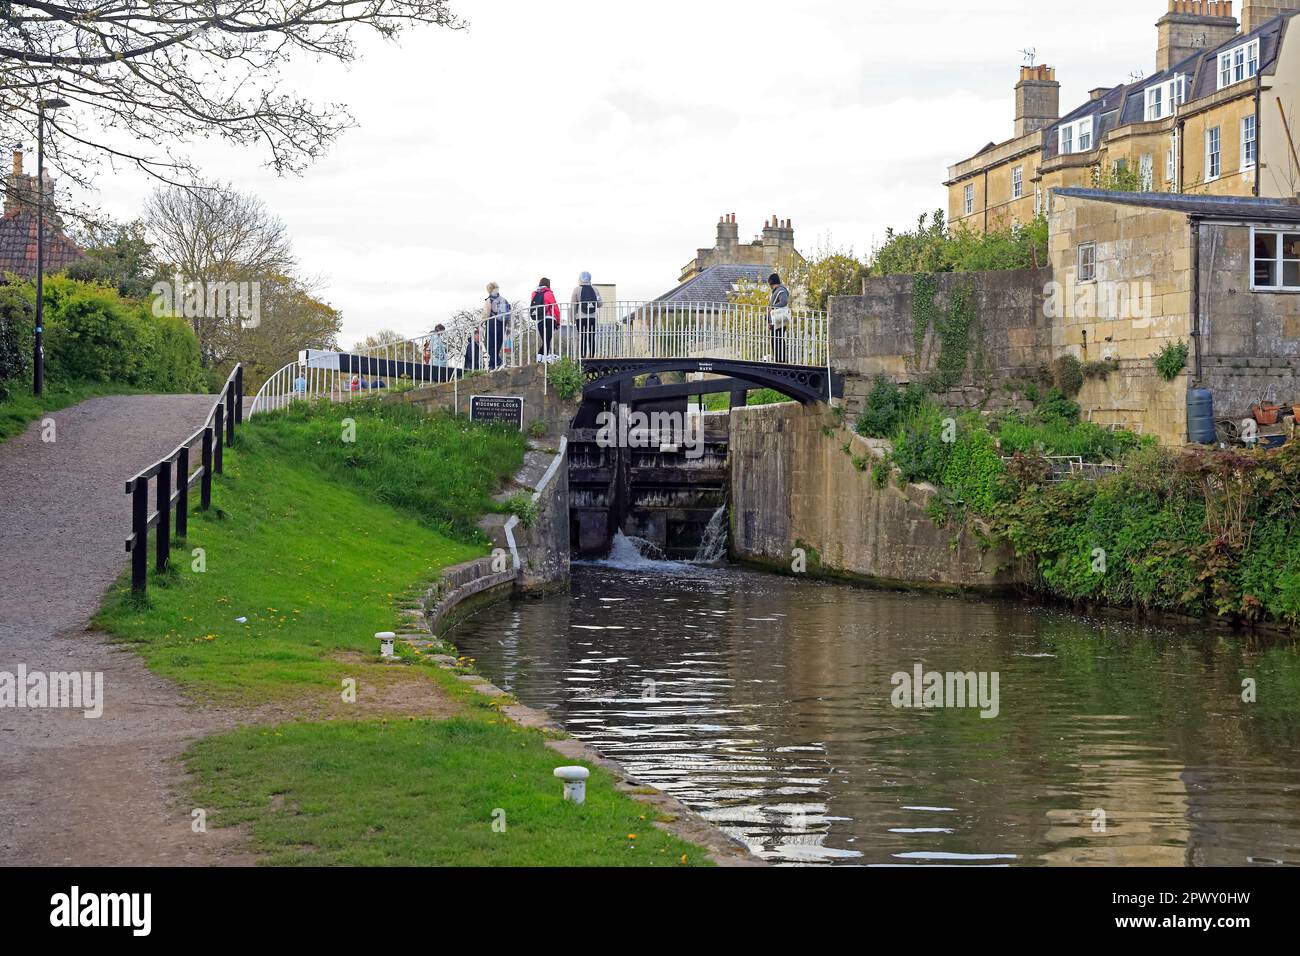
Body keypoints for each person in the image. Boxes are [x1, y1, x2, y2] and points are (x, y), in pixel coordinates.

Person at [570, 271, 603, 358]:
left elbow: (573, 305)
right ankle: (592, 355)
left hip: (581, 318)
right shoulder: (595, 289)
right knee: (592, 335)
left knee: (583, 335)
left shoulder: (576, 289)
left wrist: (572, 318)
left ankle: (583, 355)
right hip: (592, 317)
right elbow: (600, 304)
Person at [530, 277, 561, 363]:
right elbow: (555, 308)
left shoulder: (534, 293)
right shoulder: (549, 293)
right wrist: (558, 322)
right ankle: (543, 360)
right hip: (549, 319)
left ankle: (539, 359)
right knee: (547, 340)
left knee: (545, 341)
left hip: (539, 320)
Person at [483, 282, 510, 369]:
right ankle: (492, 365)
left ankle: (499, 362)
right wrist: (508, 326)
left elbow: (486, 314)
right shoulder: (504, 300)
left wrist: (480, 323)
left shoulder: (489, 300)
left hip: (492, 323)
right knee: (497, 345)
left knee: (489, 345)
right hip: (502, 324)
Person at [768, 272, 791, 364]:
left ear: (771, 283)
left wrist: (773, 307)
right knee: (776, 339)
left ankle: (780, 359)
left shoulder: (781, 290)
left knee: (777, 339)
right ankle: (779, 358)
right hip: (775, 321)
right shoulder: (777, 291)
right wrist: (769, 322)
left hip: (779, 319)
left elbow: (784, 301)